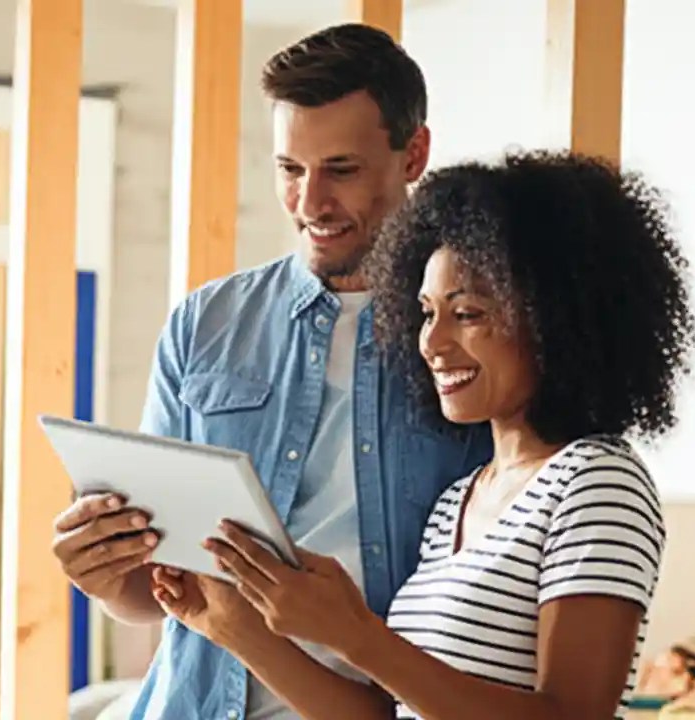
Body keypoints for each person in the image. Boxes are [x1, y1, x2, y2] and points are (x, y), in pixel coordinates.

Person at [153, 150, 695, 720]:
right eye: (426, 312)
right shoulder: (456, 503)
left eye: (468, 314)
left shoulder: (597, 482)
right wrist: (234, 628)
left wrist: (355, 632)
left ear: (556, 319)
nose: (431, 344)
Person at [47, 24, 492, 719]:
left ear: (414, 154)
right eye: (290, 169)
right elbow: (150, 589)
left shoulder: (475, 336)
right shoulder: (206, 323)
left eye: (340, 170)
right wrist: (102, 573)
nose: (310, 203)